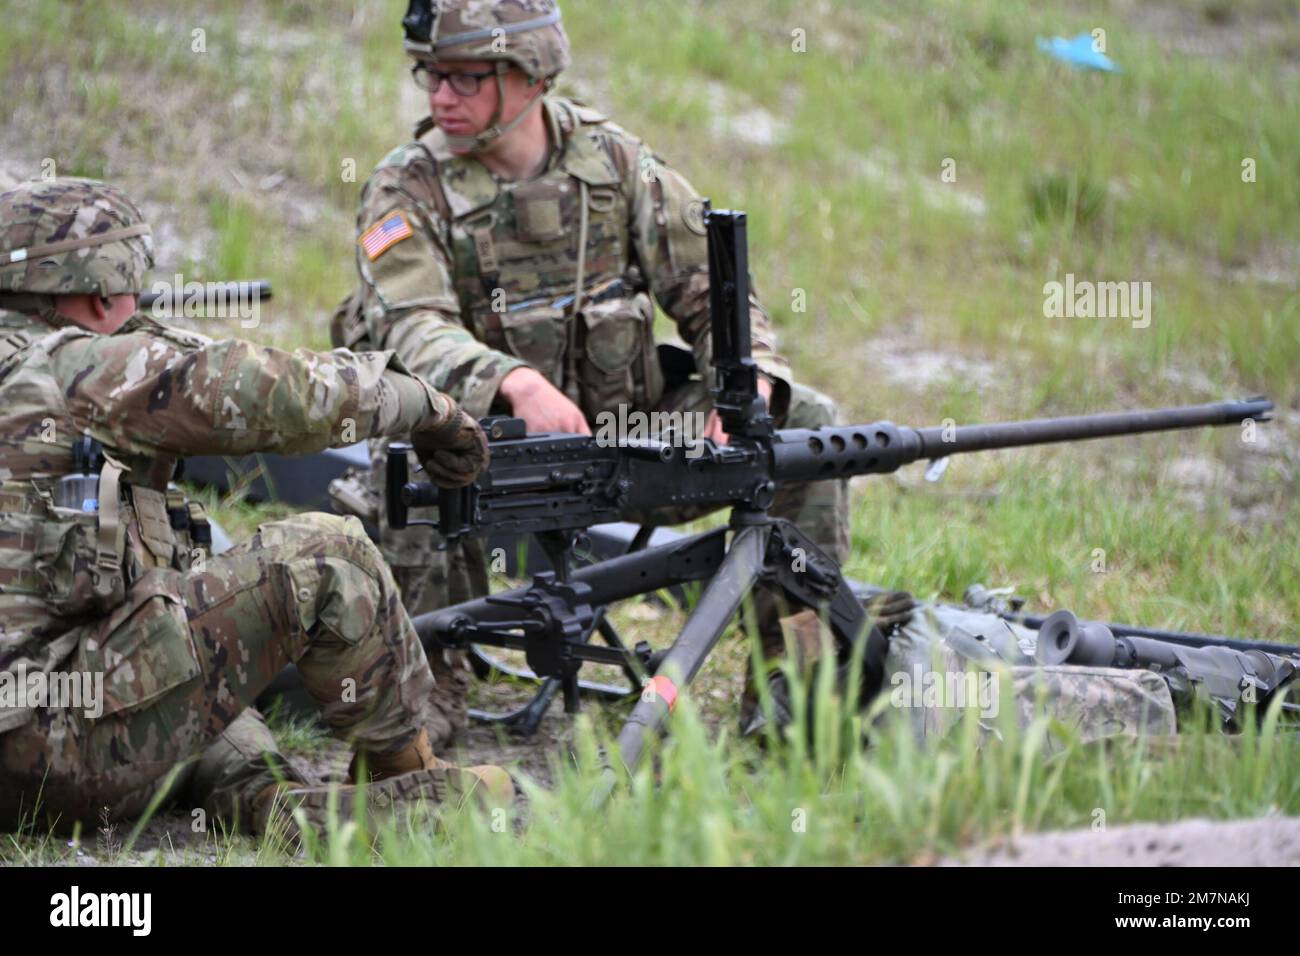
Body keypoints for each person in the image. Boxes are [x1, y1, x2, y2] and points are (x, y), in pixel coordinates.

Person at [334, 0, 848, 741]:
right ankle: (420, 695)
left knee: (802, 425)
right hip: (489, 455)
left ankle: (794, 691)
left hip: (625, 438)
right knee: (414, 445)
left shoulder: (614, 164)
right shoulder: (405, 188)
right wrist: (517, 383)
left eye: (465, 78)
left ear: (531, 75)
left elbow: (710, 291)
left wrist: (753, 382)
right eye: (431, 75)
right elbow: (412, 326)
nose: (439, 96)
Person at [0, 177, 513, 841]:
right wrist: (426, 406)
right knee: (329, 558)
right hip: (54, 752)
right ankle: (408, 778)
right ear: (101, 294)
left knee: (208, 674)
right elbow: (281, 395)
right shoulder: (74, 369)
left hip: (34, 735)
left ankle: (280, 806)